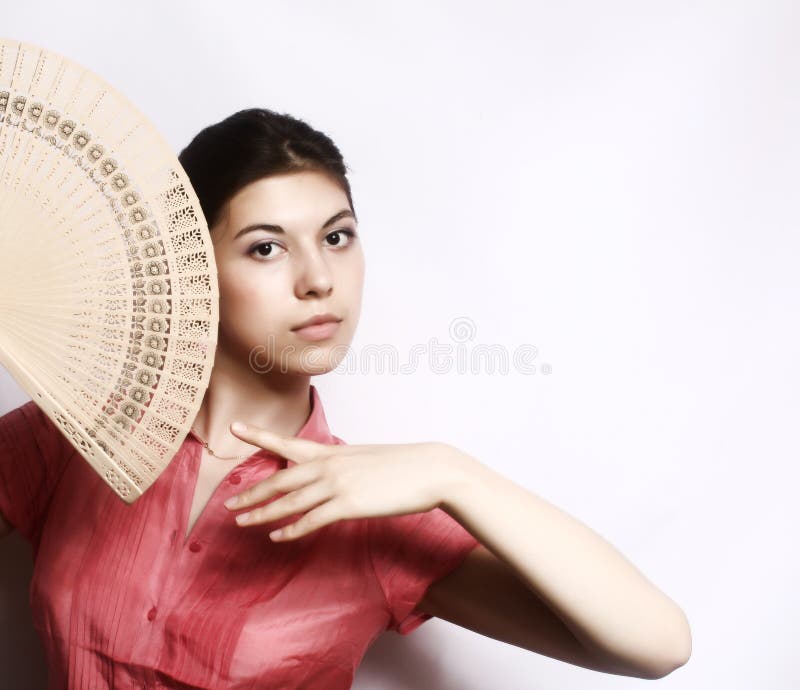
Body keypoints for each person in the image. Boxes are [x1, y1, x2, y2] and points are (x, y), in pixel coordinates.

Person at [0, 108, 691, 689]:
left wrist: (452, 472)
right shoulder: (77, 435)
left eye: (337, 238)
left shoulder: (371, 510)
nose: (319, 279)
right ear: (189, 264)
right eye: (267, 248)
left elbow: (657, 645)